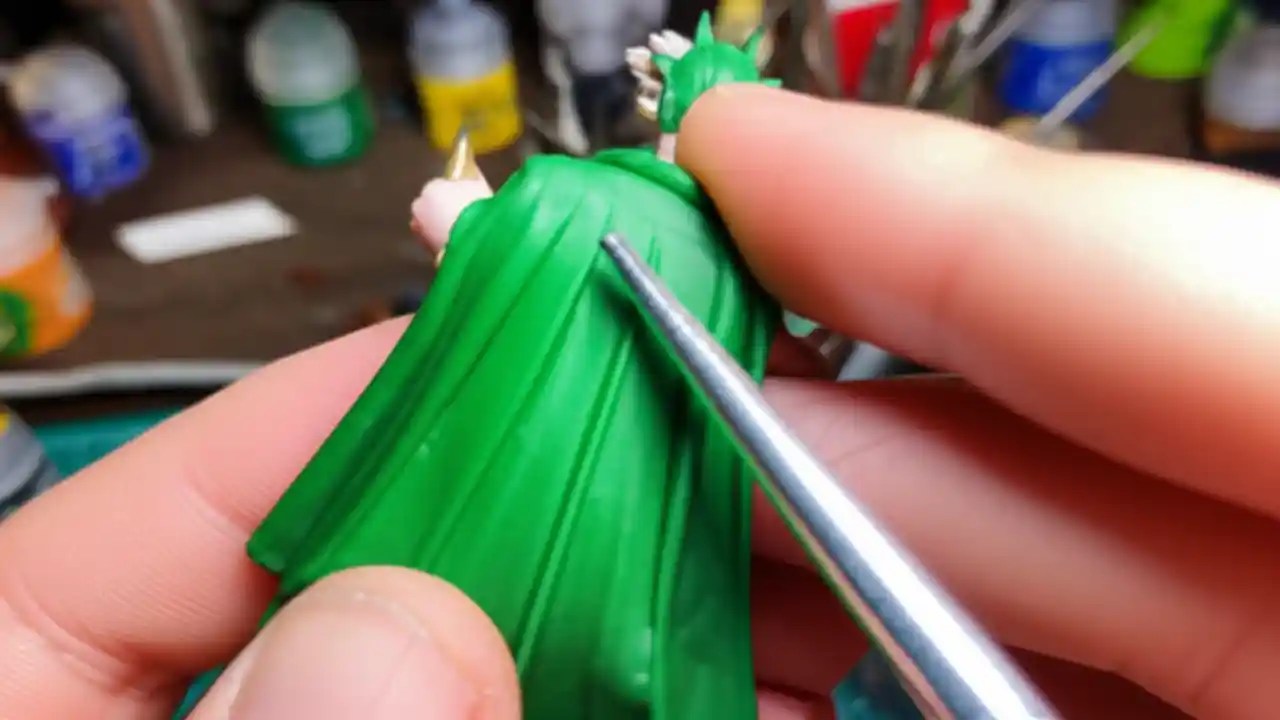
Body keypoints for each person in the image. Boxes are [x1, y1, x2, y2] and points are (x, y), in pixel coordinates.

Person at [1, 84, 1278, 720]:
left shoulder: (593, 217)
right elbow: (471, 236)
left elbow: (459, 224)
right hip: (551, 512)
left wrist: (463, 226)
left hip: (581, 518)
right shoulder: (623, 226)